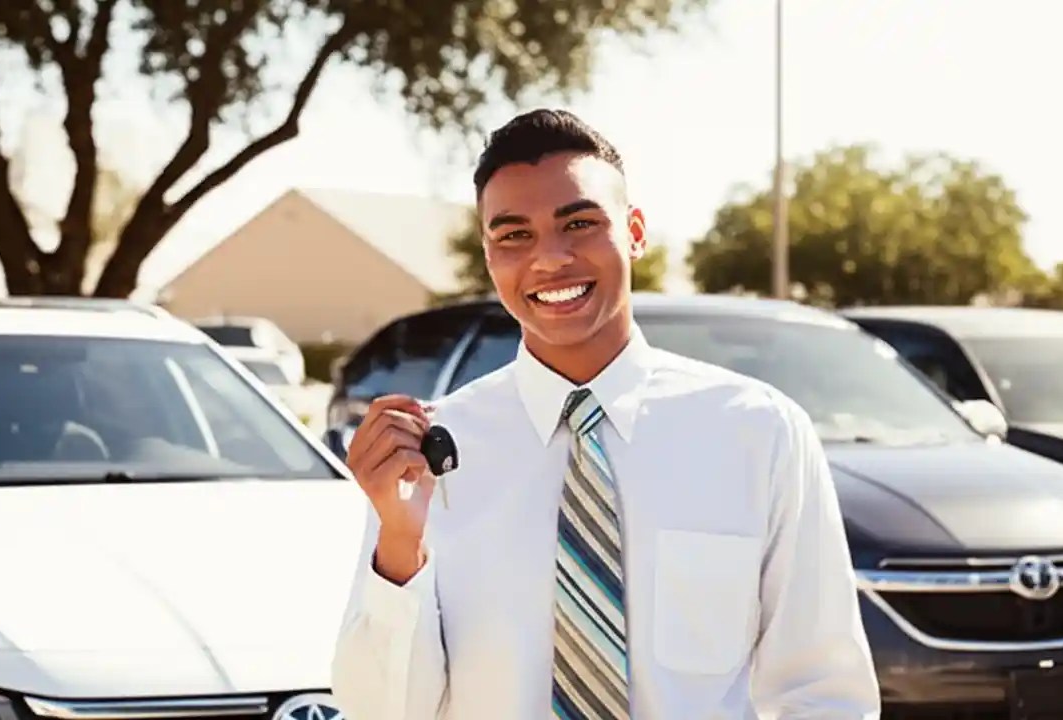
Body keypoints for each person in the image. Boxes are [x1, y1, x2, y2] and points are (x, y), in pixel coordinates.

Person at [330, 109, 881, 719]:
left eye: (580, 223)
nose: (550, 259)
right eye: (514, 236)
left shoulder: (759, 432)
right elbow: (381, 712)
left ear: (635, 231)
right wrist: (399, 542)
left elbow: (824, 693)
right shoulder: (432, 454)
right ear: (488, 256)